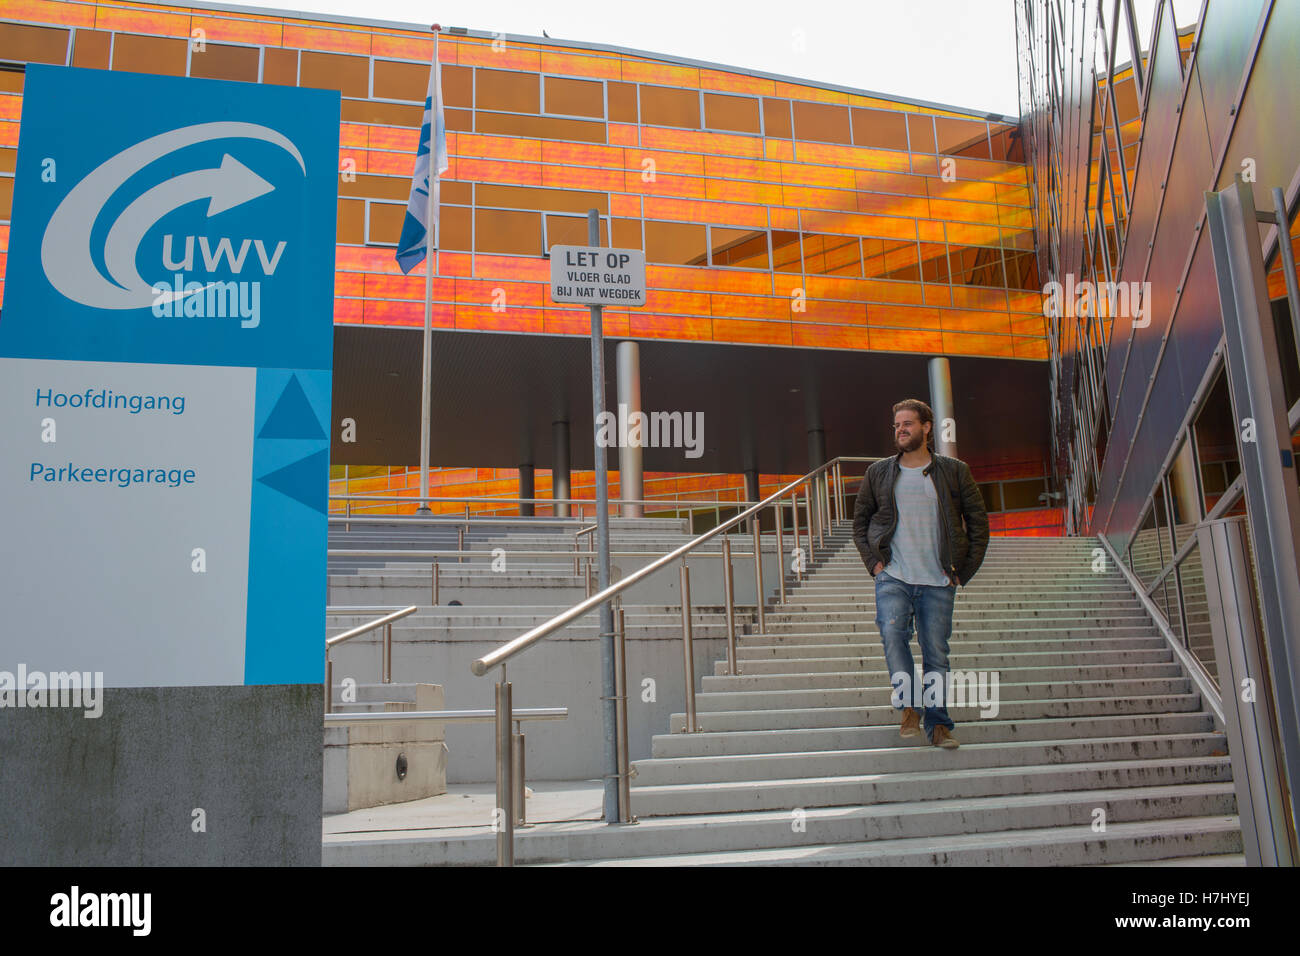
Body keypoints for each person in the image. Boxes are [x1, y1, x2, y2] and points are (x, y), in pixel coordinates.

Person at [851, 399, 989, 749]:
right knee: (892, 634)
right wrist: (875, 564)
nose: (901, 430)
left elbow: (978, 523)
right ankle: (910, 704)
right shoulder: (878, 473)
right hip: (893, 575)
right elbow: (860, 522)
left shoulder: (954, 471)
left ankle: (939, 725)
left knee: (936, 653)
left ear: (927, 427)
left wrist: (964, 570)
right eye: (897, 425)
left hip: (938, 579)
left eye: (908, 424)